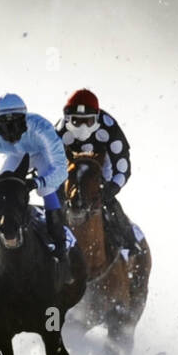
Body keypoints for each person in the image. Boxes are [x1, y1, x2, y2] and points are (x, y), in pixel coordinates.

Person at [0, 93, 70, 262]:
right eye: (5, 127)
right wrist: (1, 184)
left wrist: (38, 181)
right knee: (0, 190)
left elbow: (60, 169)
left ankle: (59, 240)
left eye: (16, 125)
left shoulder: (41, 128)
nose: (11, 132)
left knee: (46, 189)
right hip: (16, 156)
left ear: (25, 120)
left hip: (43, 155)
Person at [55, 88, 140, 257]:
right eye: (77, 122)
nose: (82, 127)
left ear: (97, 117)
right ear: (67, 118)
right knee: (56, 207)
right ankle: (53, 243)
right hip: (69, 170)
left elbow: (122, 165)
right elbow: (48, 164)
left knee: (110, 204)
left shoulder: (110, 128)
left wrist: (112, 188)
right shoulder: (59, 132)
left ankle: (128, 243)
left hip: (101, 167)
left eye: (88, 121)